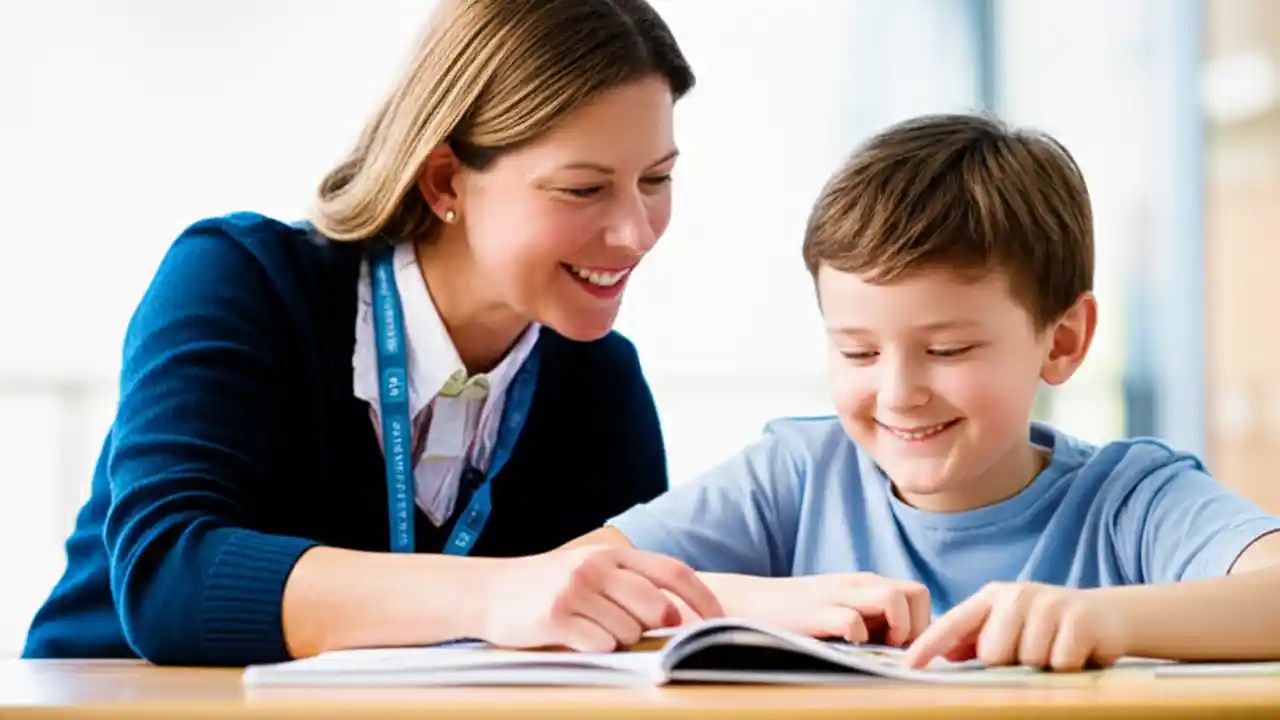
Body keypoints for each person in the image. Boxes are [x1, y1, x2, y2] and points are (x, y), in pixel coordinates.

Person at [23, 0, 722, 666]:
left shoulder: (597, 380)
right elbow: (167, 577)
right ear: (445, 182)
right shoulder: (245, 281)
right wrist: (498, 593)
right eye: (582, 189)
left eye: (656, 180)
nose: (636, 232)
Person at [574, 114, 1280, 671]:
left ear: (1061, 340)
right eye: (857, 351)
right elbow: (577, 579)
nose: (899, 392)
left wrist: (1109, 619)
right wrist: (759, 601)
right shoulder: (795, 475)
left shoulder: (1130, 502)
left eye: (948, 351)